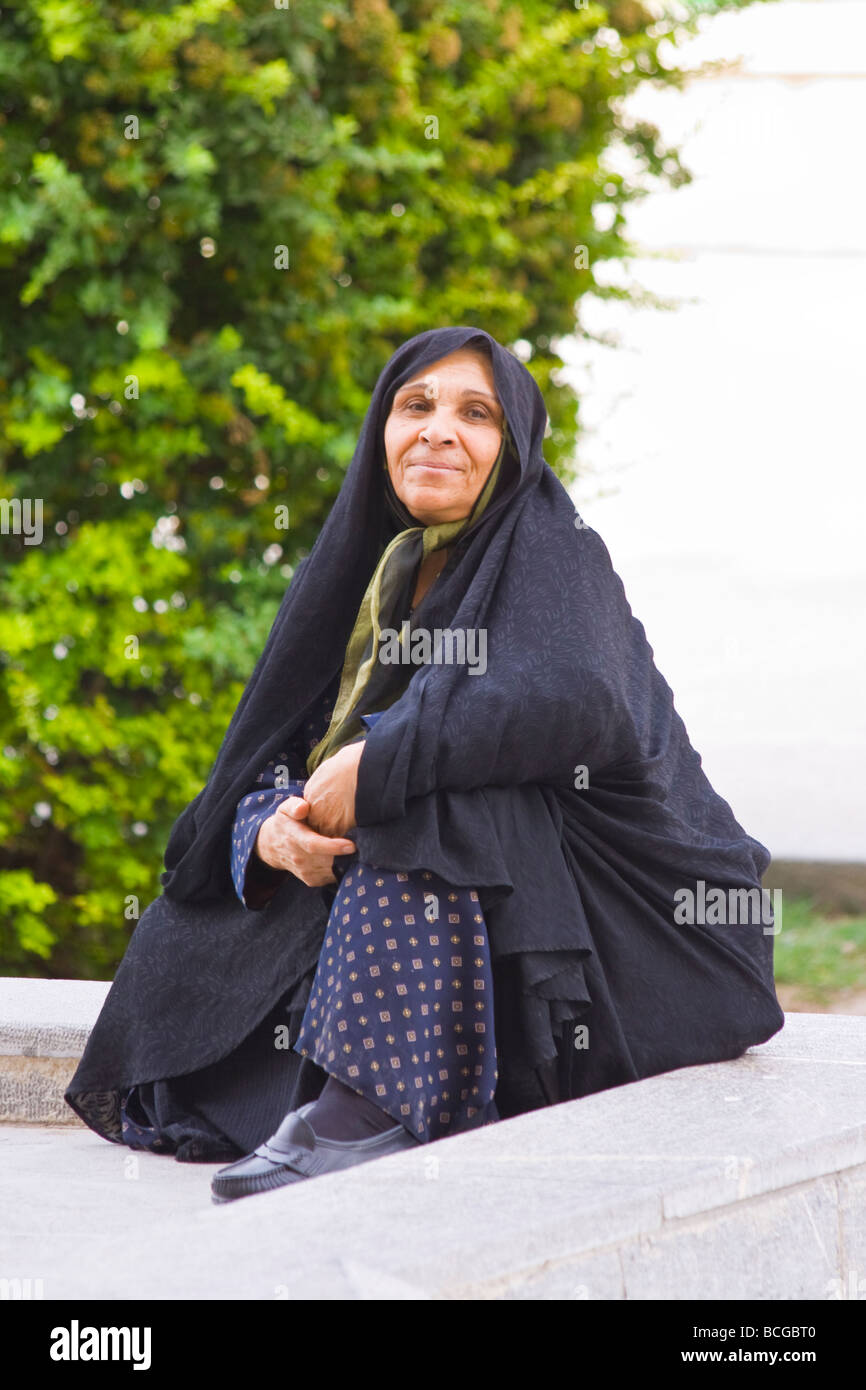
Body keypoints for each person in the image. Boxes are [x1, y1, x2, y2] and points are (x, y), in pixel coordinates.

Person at [65, 326, 784, 1203]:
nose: (440, 430)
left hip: (649, 936)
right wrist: (272, 832)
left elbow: (575, 705)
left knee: (435, 800)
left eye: (476, 414)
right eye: (417, 406)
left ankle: (365, 1113)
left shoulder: (557, 550)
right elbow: (267, 752)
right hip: (464, 926)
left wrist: (379, 764)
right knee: (206, 892)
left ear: (511, 449)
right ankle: (345, 1091)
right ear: (382, 433)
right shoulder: (364, 577)